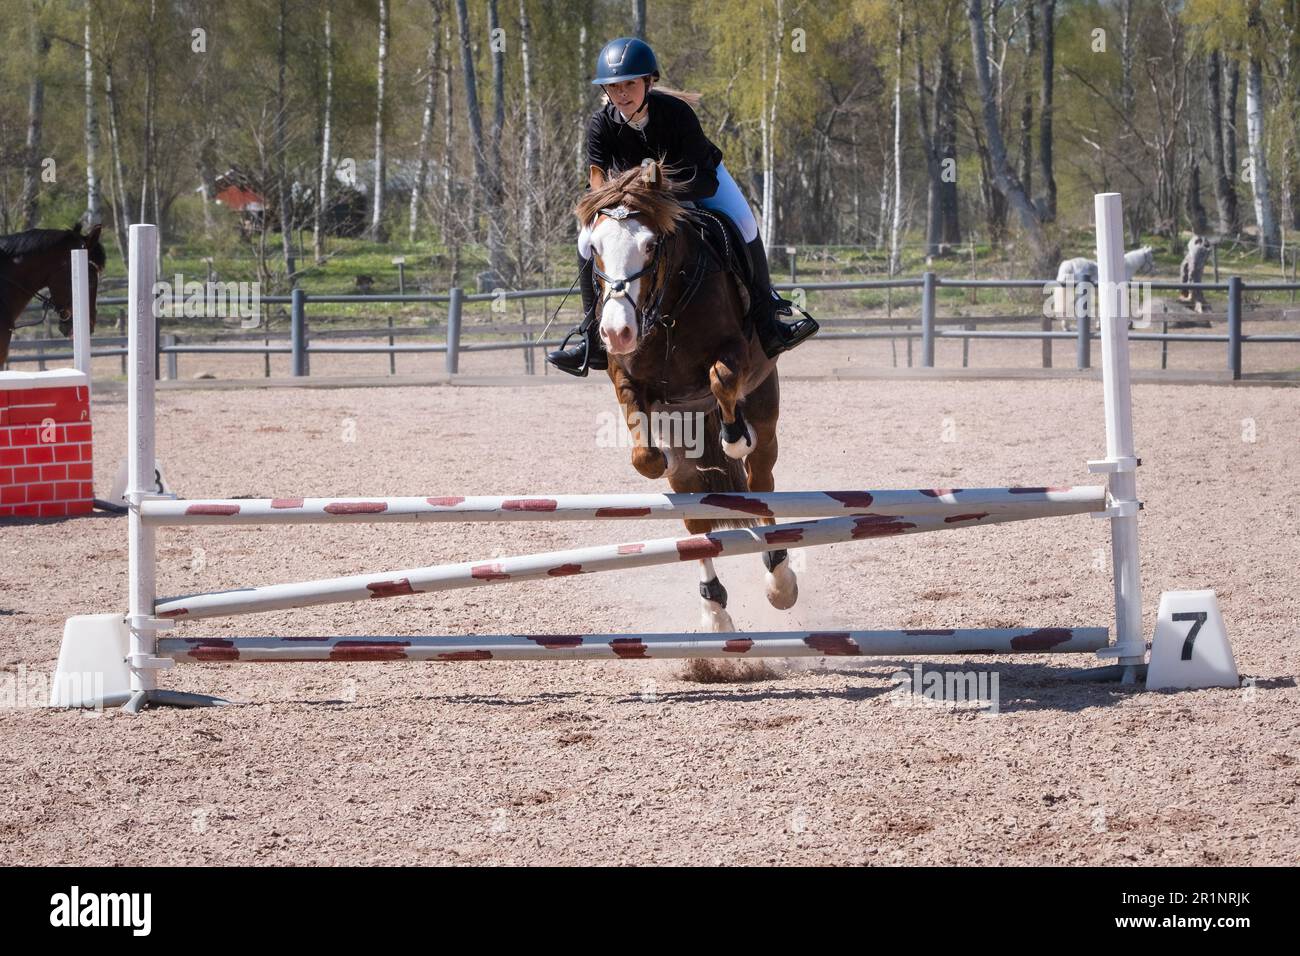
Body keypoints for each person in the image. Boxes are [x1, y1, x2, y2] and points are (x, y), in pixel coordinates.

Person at [548, 36, 818, 376]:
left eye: (630, 84)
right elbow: (597, 181)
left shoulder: (676, 114)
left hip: (697, 182)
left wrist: (659, 192)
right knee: (586, 238)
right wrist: (614, 200)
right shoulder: (601, 124)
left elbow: (705, 181)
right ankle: (591, 334)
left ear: (649, 82)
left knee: (745, 223)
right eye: (614, 86)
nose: (622, 94)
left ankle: (768, 316)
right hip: (634, 202)